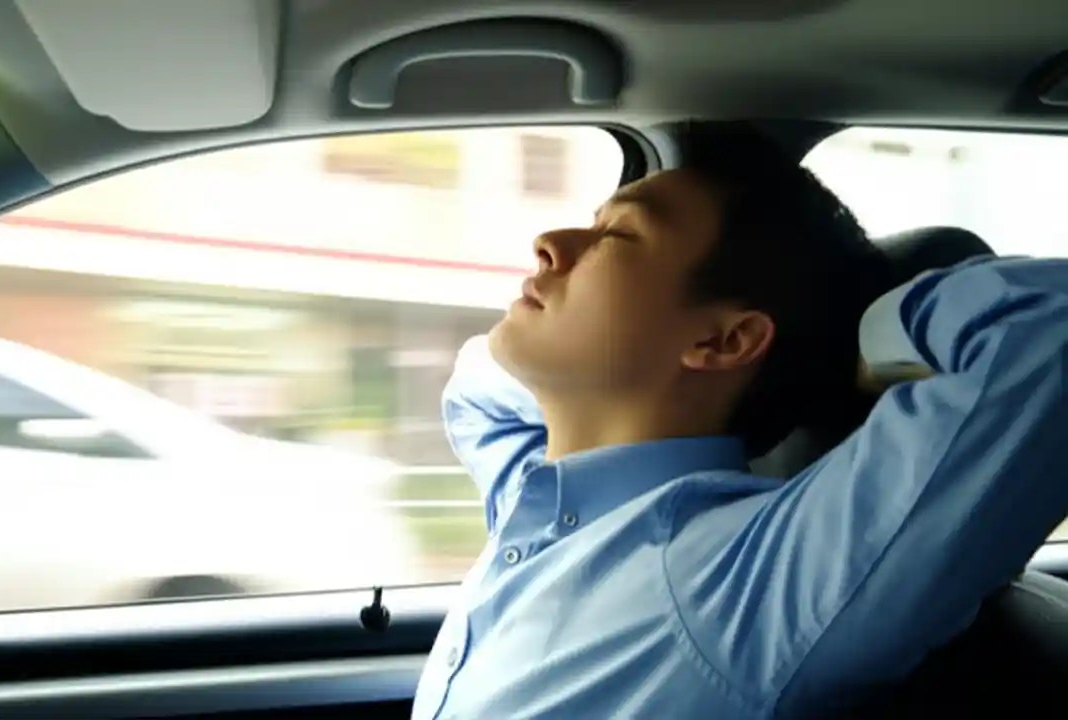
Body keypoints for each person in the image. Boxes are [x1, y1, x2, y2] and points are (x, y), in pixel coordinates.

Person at [410, 125, 1068, 719]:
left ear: (726, 342)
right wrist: (589, 392)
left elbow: (1047, 330)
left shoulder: (738, 588)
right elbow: (478, 394)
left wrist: (864, 335)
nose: (550, 244)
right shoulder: (539, 494)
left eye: (617, 236)